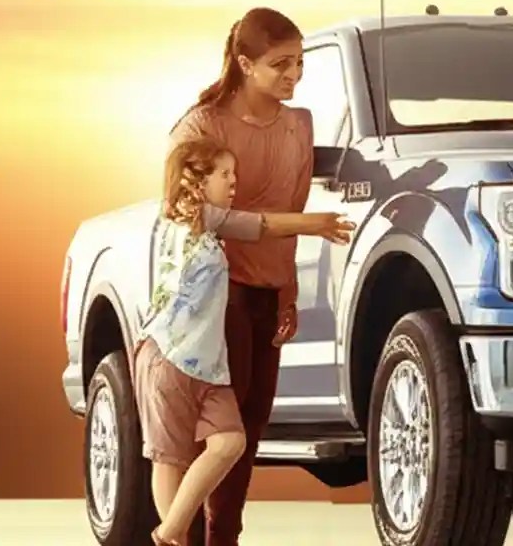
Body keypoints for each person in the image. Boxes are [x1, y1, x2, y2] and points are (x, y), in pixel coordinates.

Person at [137, 138, 353, 545]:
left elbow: (261, 228)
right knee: (170, 458)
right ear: (198, 182)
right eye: (225, 174)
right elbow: (263, 225)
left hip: (206, 364)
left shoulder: (205, 223)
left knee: (230, 442)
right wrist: (316, 223)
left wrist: (314, 228)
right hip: (167, 358)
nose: (234, 181)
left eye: (234, 173)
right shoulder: (194, 220)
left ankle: (166, 533)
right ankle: (174, 538)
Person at [167, 6, 325, 546]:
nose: (293, 75)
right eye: (281, 64)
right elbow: (185, 212)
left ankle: (223, 537)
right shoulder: (203, 125)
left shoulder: (298, 125)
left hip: (267, 290)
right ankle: (186, 533)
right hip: (217, 294)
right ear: (243, 63)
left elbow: (294, 206)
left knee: (252, 426)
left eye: (300, 64)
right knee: (216, 430)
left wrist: (288, 289)